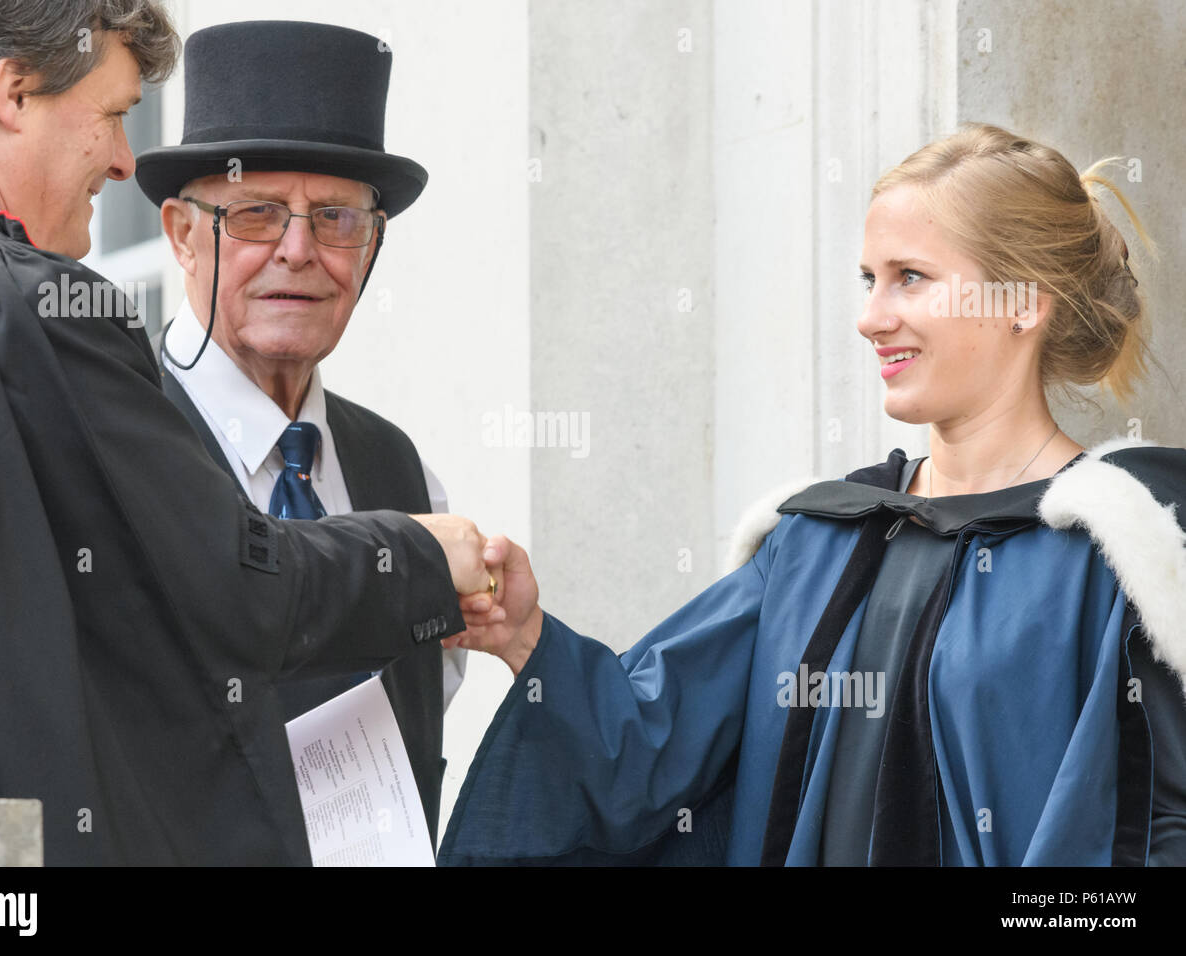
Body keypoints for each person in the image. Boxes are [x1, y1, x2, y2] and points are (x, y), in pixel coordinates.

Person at [438, 124, 1186, 866]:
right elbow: (653, 743)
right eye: (870, 279)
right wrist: (525, 635)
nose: (870, 318)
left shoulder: (1126, 560)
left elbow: (1155, 834)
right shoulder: (820, 540)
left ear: (1025, 303)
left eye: (911, 278)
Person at [0, 0, 498, 865]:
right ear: (13, 92)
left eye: (337, 218)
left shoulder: (393, 464)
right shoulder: (2, 308)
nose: (121, 157)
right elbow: (232, 594)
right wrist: (426, 562)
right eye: (113, 114)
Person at [134, 20, 468, 842]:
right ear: (181, 234)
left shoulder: (402, 472)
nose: (298, 252)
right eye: (255, 214)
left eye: (337, 220)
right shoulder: (116, 439)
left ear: (373, 244)